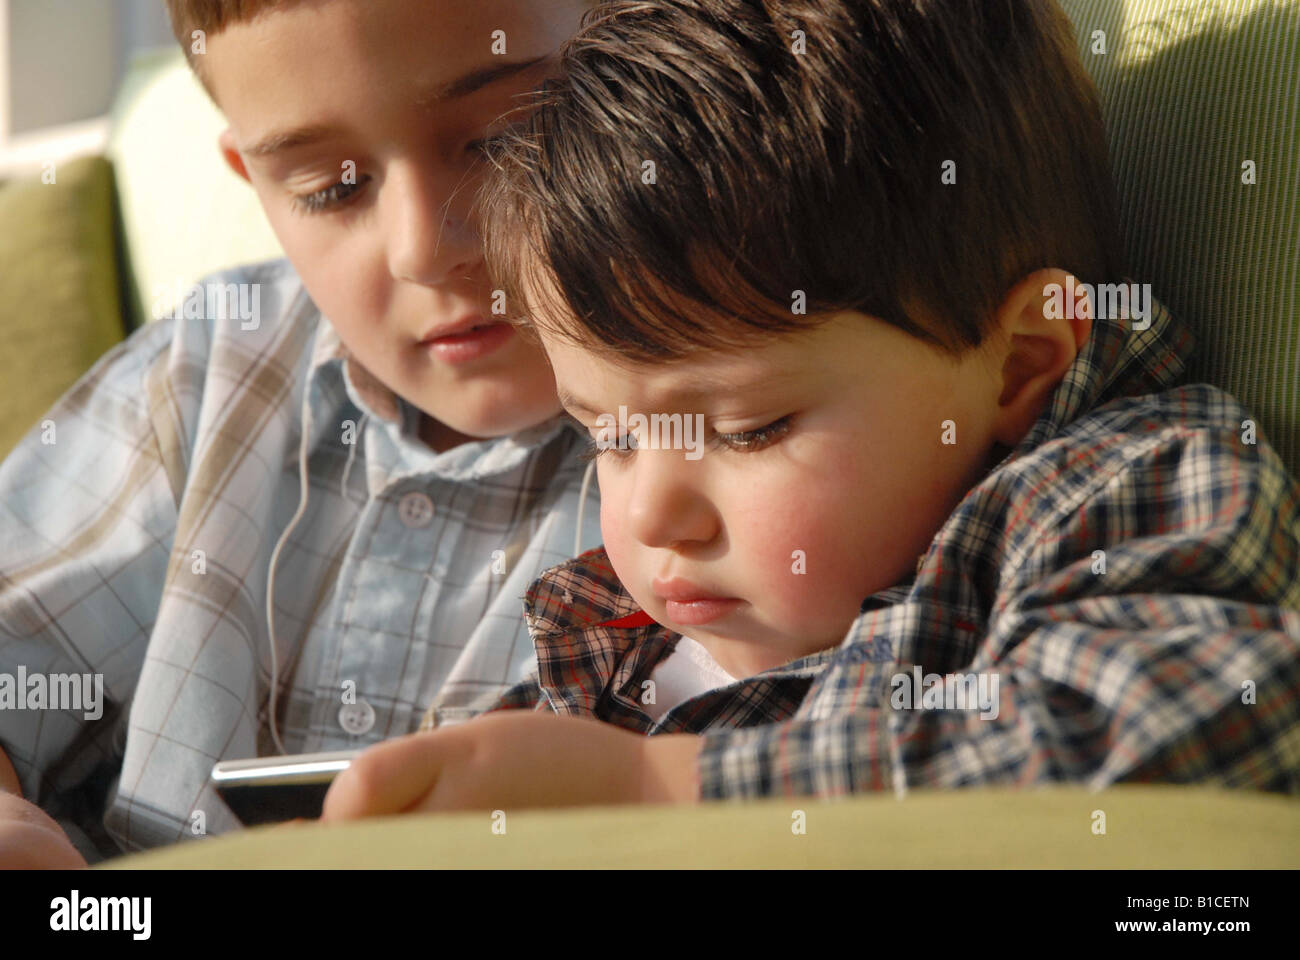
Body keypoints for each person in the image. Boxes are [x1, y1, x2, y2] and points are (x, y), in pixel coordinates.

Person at [319, 0, 1300, 821]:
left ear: (1018, 367)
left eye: (748, 429)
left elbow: (1179, 737)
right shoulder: (610, 654)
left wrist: (656, 789)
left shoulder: (1119, 489)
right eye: (608, 439)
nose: (655, 517)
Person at [0, 0, 602, 867]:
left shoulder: (742, 415)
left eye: (499, 141)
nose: (422, 250)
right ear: (256, 185)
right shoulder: (208, 372)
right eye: (335, 189)